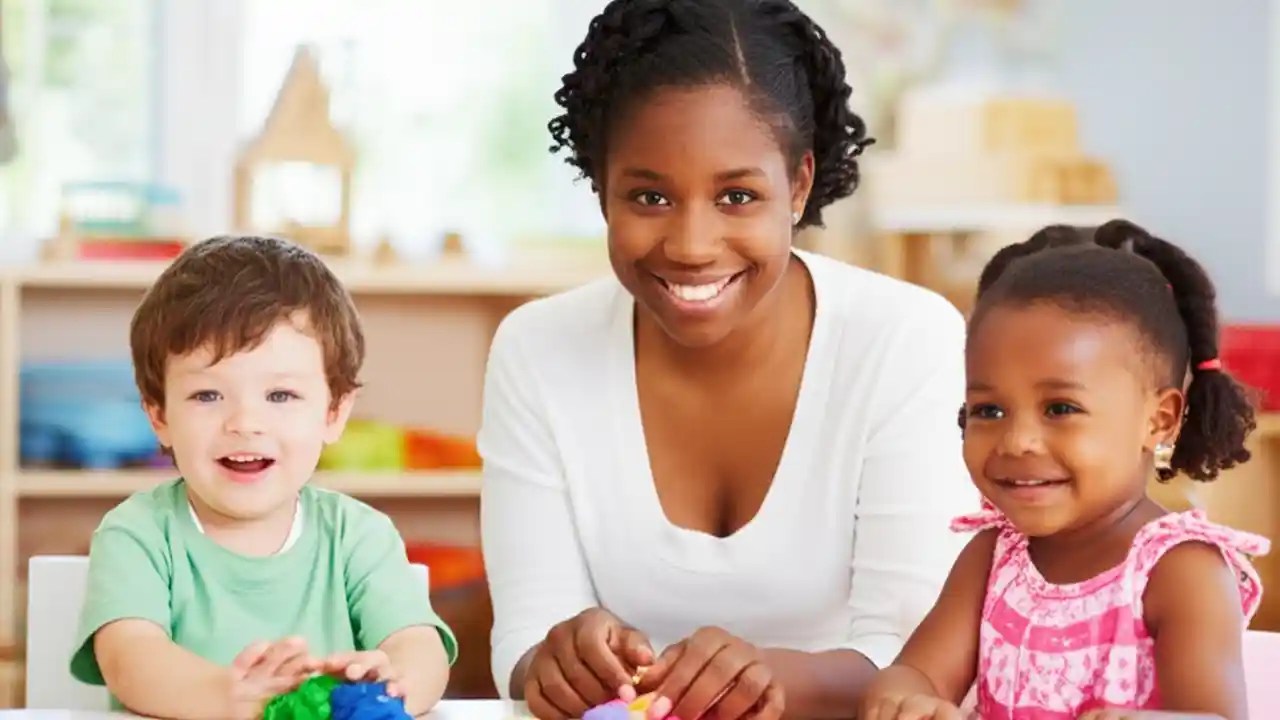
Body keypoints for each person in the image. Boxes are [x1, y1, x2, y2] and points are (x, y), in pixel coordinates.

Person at [477, 1, 977, 719]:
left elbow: (917, 660)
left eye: (737, 196)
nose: (691, 243)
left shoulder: (905, 340)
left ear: (798, 185)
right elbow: (524, 643)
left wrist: (778, 680)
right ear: (600, 185)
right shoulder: (537, 350)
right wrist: (554, 663)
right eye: (649, 195)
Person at [859, 220, 1272, 720]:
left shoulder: (1180, 571)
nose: (1017, 441)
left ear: (1157, 419)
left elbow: (1217, 718)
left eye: (1060, 409)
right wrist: (903, 697)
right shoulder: (994, 555)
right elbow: (920, 672)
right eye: (989, 411)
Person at [70, 236, 458, 720]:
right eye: (208, 395)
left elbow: (419, 646)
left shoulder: (359, 536)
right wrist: (227, 695)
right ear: (159, 416)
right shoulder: (138, 533)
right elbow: (130, 659)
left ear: (334, 412)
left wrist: (393, 683)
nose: (245, 422)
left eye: (280, 396)